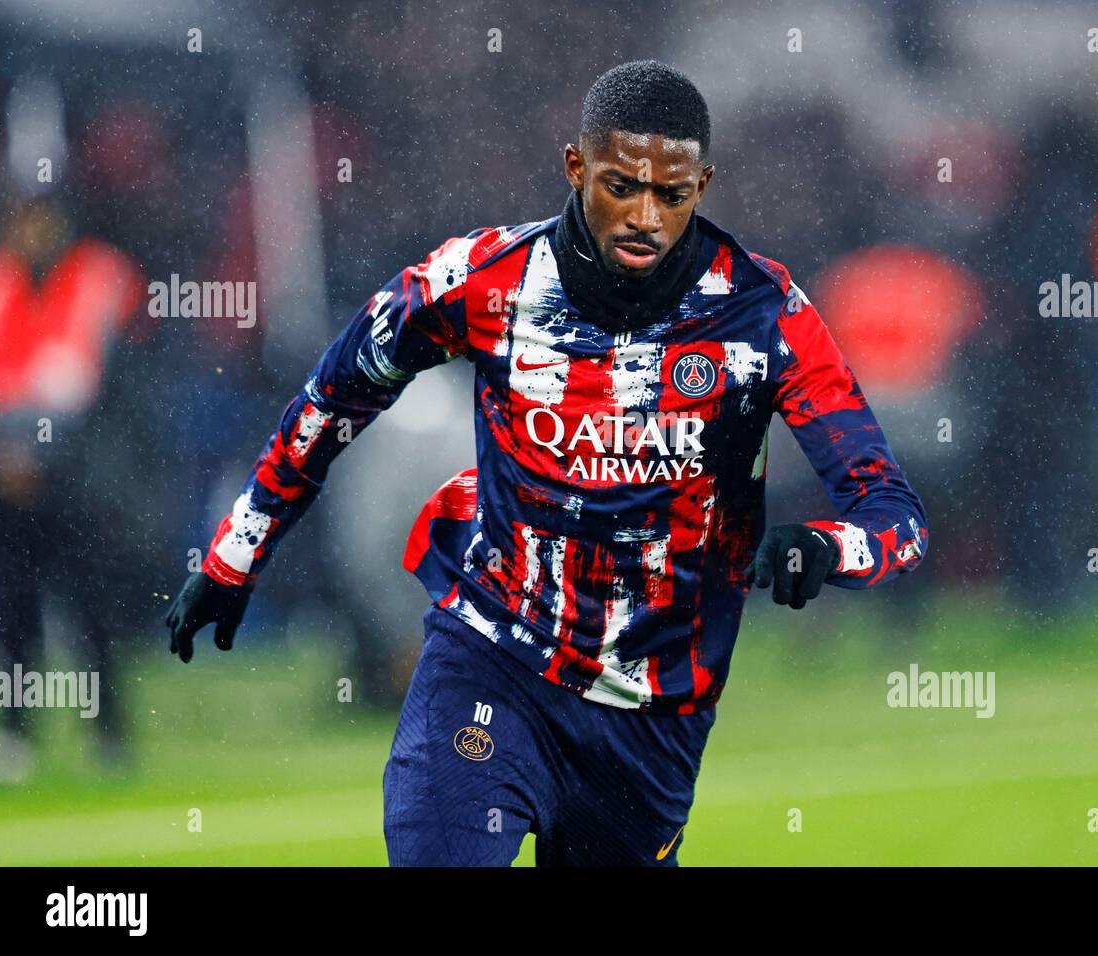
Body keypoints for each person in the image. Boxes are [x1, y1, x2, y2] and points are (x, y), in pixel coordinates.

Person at [164, 60, 928, 866]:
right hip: (495, 657)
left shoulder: (764, 315)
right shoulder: (480, 281)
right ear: (575, 167)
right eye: (620, 185)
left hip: (652, 719)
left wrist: (830, 548)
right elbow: (332, 400)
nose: (644, 217)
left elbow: (894, 512)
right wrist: (235, 556)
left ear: (702, 185)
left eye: (671, 195)